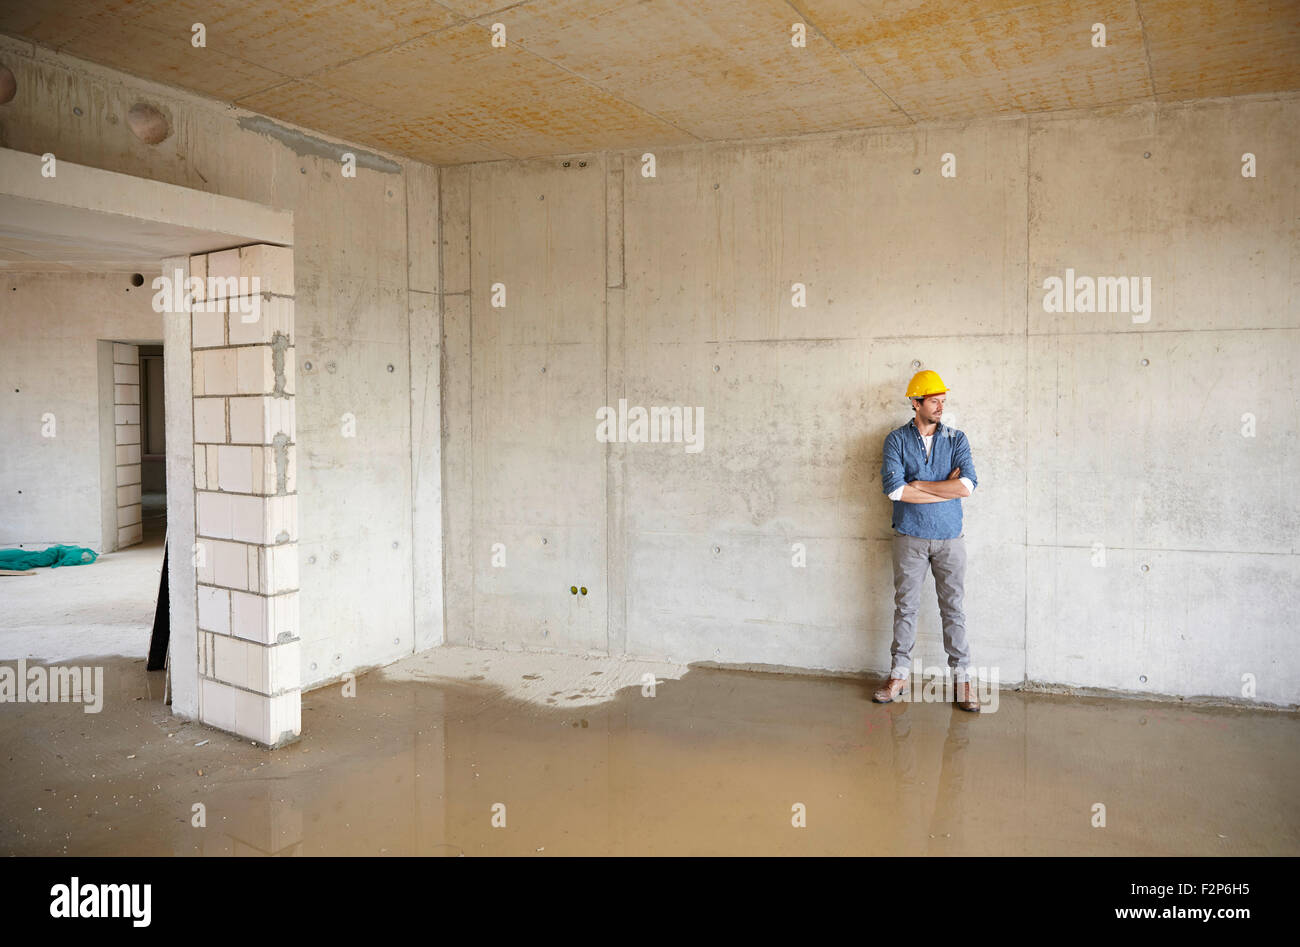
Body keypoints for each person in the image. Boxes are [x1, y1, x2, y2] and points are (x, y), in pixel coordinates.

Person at [875, 370, 980, 712]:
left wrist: (918, 484)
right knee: (905, 608)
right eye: (933, 400)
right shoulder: (895, 440)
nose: (940, 406)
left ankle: (962, 683)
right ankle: (898, 677)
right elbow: (894, 490)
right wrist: (942, 491)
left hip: (950, 539)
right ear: (915, 403)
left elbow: (967, 487)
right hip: (910, 538)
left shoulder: (957, 439)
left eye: (942, 400)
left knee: (954, 610)